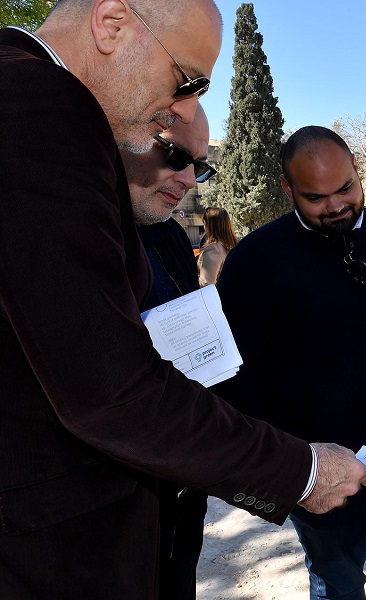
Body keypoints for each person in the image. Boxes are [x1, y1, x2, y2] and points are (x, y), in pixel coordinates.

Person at [0, 3, 366, 598]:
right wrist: (299, 472)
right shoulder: (39, 104)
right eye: (187, 80)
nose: (184, 108)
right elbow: (111, 392)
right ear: (112, 22)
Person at [213, 125, 366, 600]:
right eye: (315, 197)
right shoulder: (254, 260)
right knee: (338, 584)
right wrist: (288, 457)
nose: (335, 206)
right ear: (288, 188)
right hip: (321, 459)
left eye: (345, 188)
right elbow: (235, 372)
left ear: (357, 170)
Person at [122, 104, 217, 600]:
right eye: (176, 156)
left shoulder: (171, 235)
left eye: (199, 166)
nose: (188, 180)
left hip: (183, 472)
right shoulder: (69, 234)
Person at [198, 206, 238, 286]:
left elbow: (206, 283)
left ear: (209, 225)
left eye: (204, 224)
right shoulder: (234, 245)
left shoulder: (214, 249)